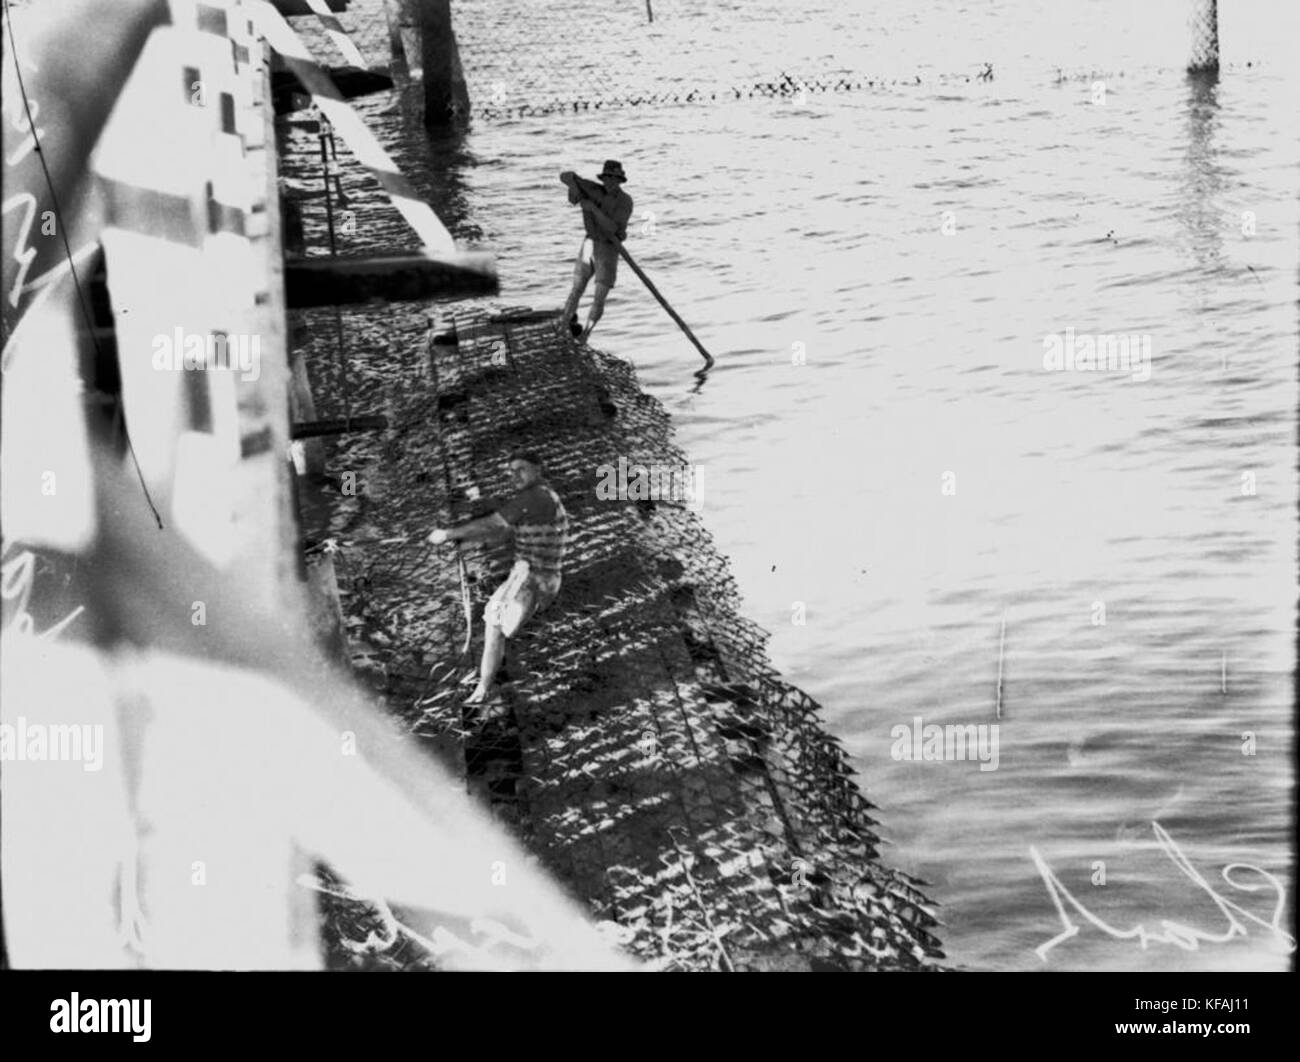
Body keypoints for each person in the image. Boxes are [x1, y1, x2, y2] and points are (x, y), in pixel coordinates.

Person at [427, 452, 569, 706]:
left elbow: (494, 524)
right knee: (493, 622)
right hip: (525, 574)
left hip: (539, 581)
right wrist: (468, 541)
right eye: (511, 471)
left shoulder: (537, 497)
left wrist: (447, 534)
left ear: (539, 468)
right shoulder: (533, 498)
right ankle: (485, 684)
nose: (514, 476)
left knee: (499, 624)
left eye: (521, 469)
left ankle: (486, 687)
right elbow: (502, 533)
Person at [558, 160, 634, 344]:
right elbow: (572, 196)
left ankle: (586, 335)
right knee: (576, 288)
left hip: (609, 248)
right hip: (589, 243)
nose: (610, 181)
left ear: (620, 180)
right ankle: (562, 329)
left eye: (614, 178)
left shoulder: (625, 201)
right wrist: (572, 183)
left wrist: (592, 209)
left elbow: (611, 228)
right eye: (608, 177)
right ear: (604, 177)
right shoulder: (593, 190)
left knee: (599, 296)